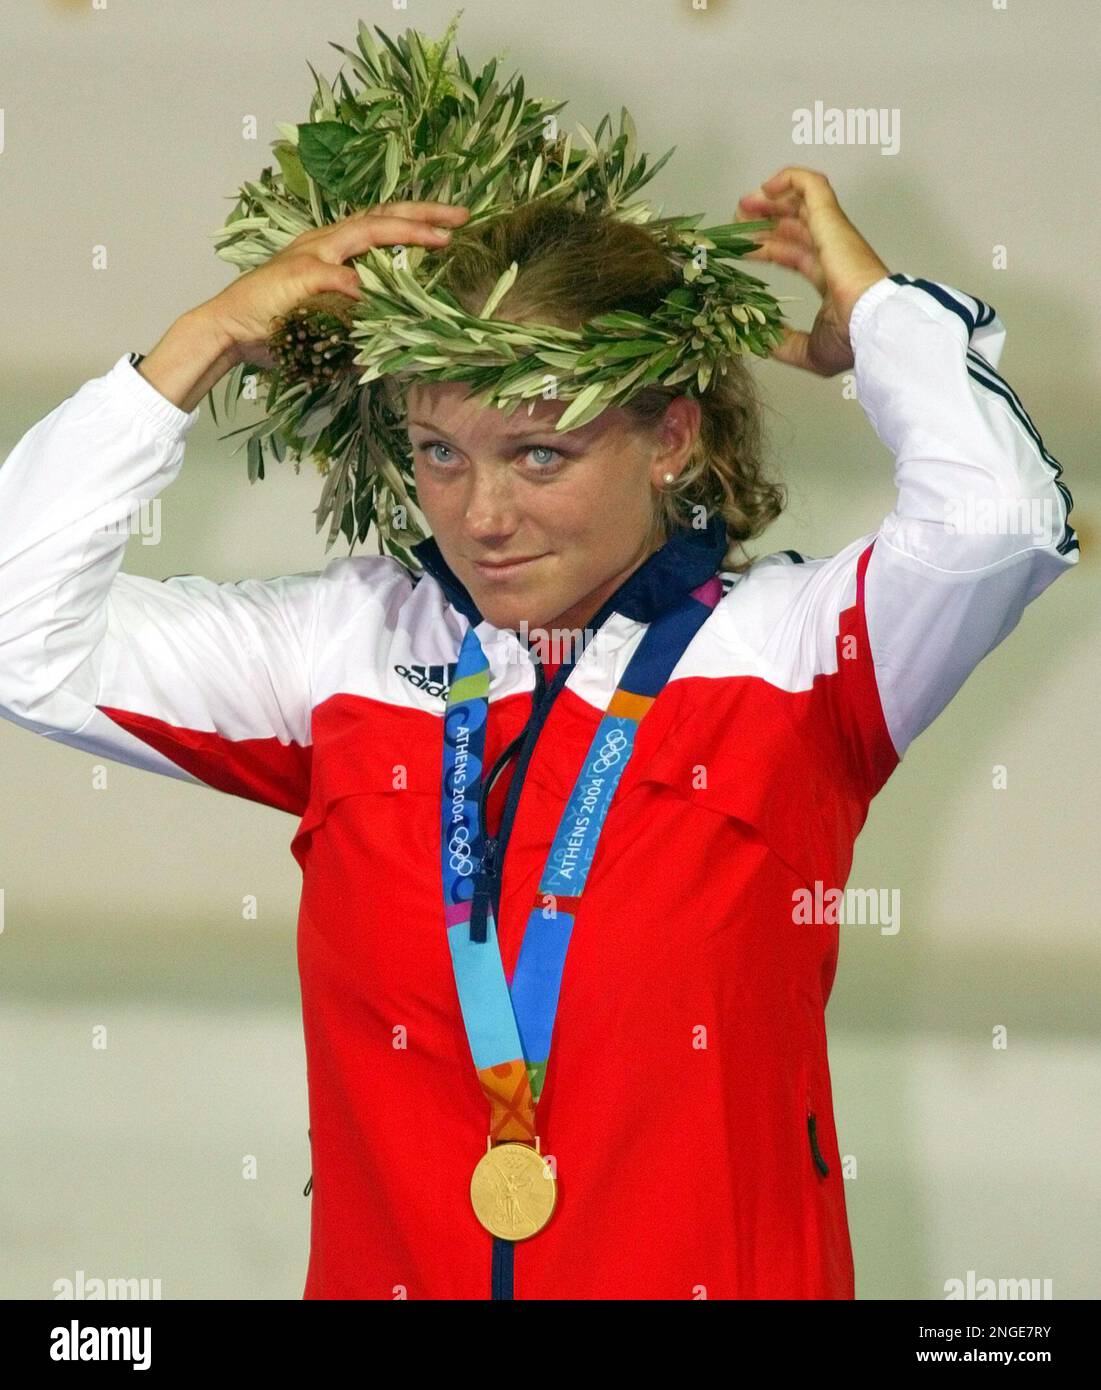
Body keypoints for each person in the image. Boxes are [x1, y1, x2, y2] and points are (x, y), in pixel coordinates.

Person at [0, 168, 1077, 1300]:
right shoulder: (348, 649)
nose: (482, 515)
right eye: (440, 453)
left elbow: (998, 520)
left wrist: (882, 315)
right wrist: (199, 344)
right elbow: (25, 635)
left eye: (540, 456)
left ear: (671, 438)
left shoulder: (800, 650)